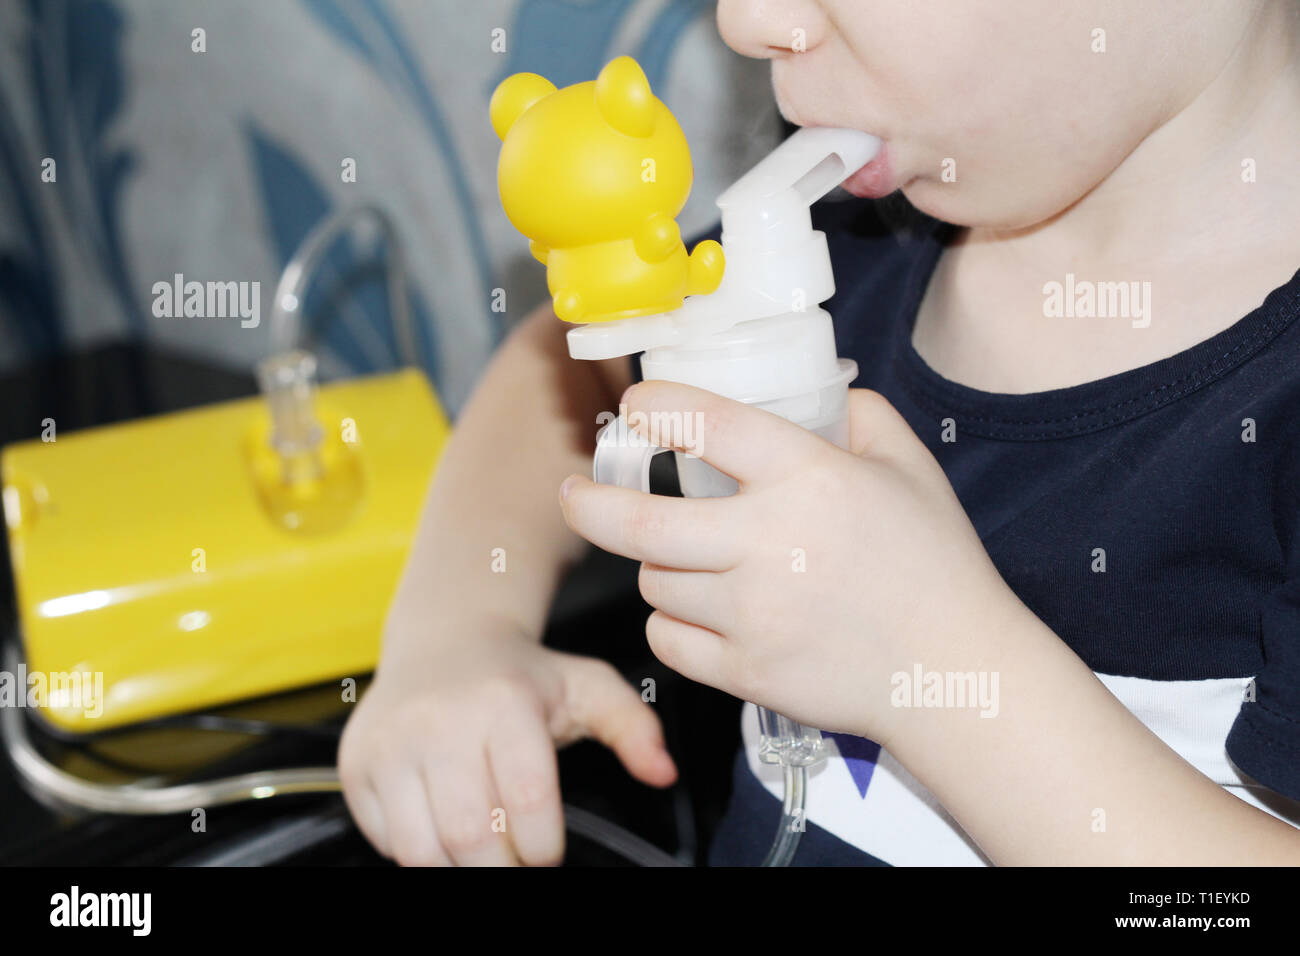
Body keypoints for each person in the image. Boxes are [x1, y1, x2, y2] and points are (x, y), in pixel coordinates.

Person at [338, 0, 1300, 865]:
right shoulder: (847, 246)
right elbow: (570, 359)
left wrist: (932, 668)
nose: (749, 22)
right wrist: (454, 633)